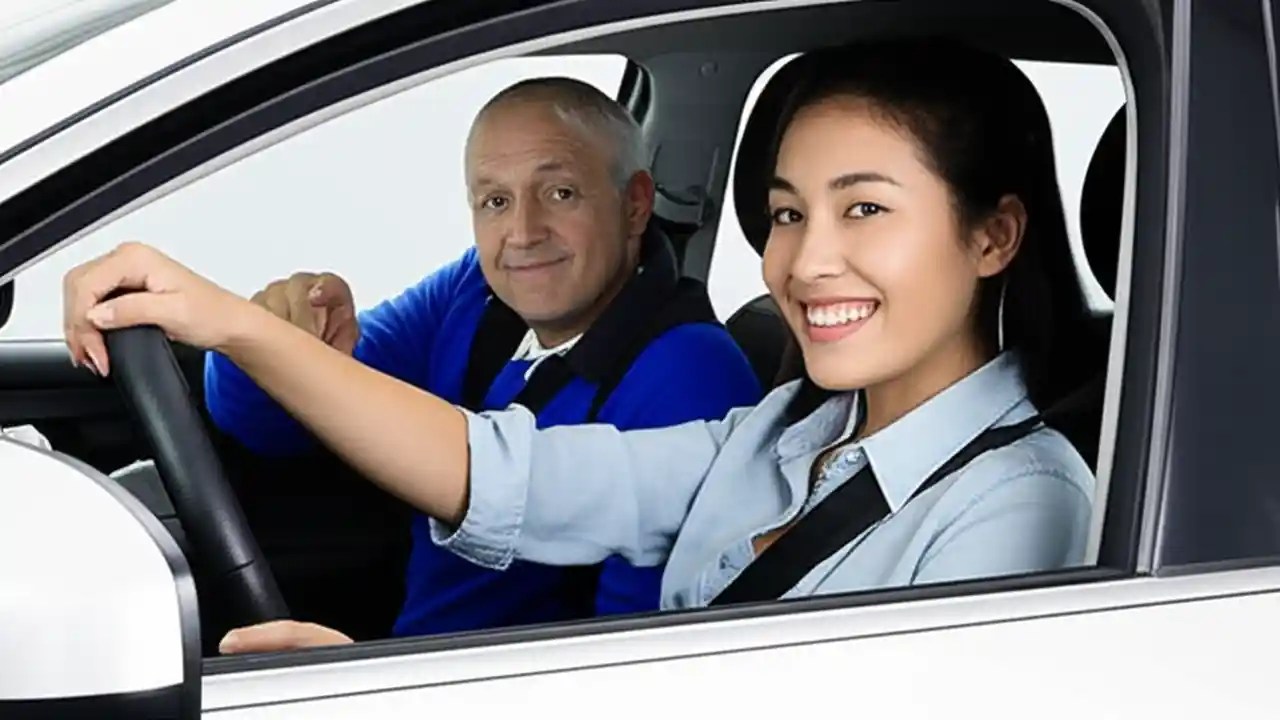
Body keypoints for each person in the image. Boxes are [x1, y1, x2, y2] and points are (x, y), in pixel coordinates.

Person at [62, 38, 1097, 648]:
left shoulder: (1021, 503)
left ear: (991, 235)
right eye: (787, 214)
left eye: (863, 209)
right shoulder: (780, 434)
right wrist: (230, 322)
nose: (807, 261)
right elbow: (508, 476)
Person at [192, 77, 762, 649]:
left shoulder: (693, 379)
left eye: (560, 193)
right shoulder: (477, 292)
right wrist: (283, 334)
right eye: (495, 201)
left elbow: (632, 659)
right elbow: (272, 421)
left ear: (634, 205)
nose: (522, 233)